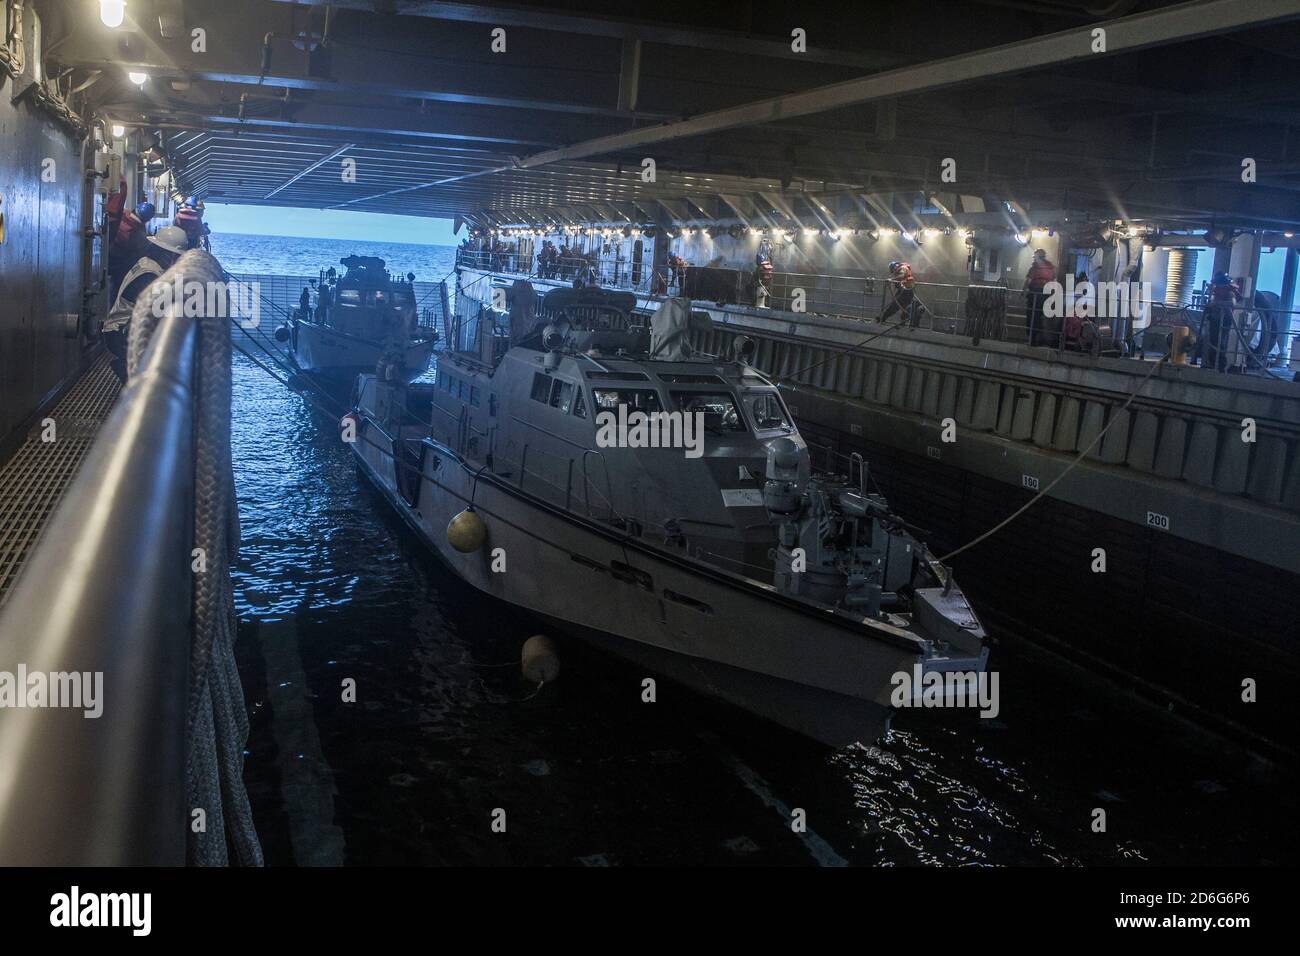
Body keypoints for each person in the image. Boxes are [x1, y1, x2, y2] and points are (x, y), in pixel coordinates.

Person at [102, 225, 189, 382]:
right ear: (167, 255)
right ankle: (126, 368)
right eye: (176, 257)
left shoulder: (147, 263)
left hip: (119, 329)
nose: (177, 262)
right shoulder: (149, 277)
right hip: (120, 335)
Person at [1201, 271, 1241, 371]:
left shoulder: (1230, 292)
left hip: (1224, 320)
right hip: (1215, 319)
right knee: (1213, 341)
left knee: (1220, 343)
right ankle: (1212, 363)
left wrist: (1216, 304)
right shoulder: (1217, 291)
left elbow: (1232, 304)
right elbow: (1212, 301)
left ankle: (1220, 365)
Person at [1023, 247, 1056, 346]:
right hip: (1047, 296)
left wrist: (1023, 291)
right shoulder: (1051, 267)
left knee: (1032, 317)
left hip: (1035, 296)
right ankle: (1042, 340)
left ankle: (1032, 340)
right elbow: (1054, 281)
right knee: (1043, 317)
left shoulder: (1034, 268)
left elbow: (1028, 281)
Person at [880, 260, 921, 325]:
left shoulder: (903, 268)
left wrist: (891, 279)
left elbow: (901, 276)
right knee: (905, 308)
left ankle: (882, 319)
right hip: (905, 291)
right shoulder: (902, 269)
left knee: (896, 307)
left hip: (905, 292)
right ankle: (903, 323)